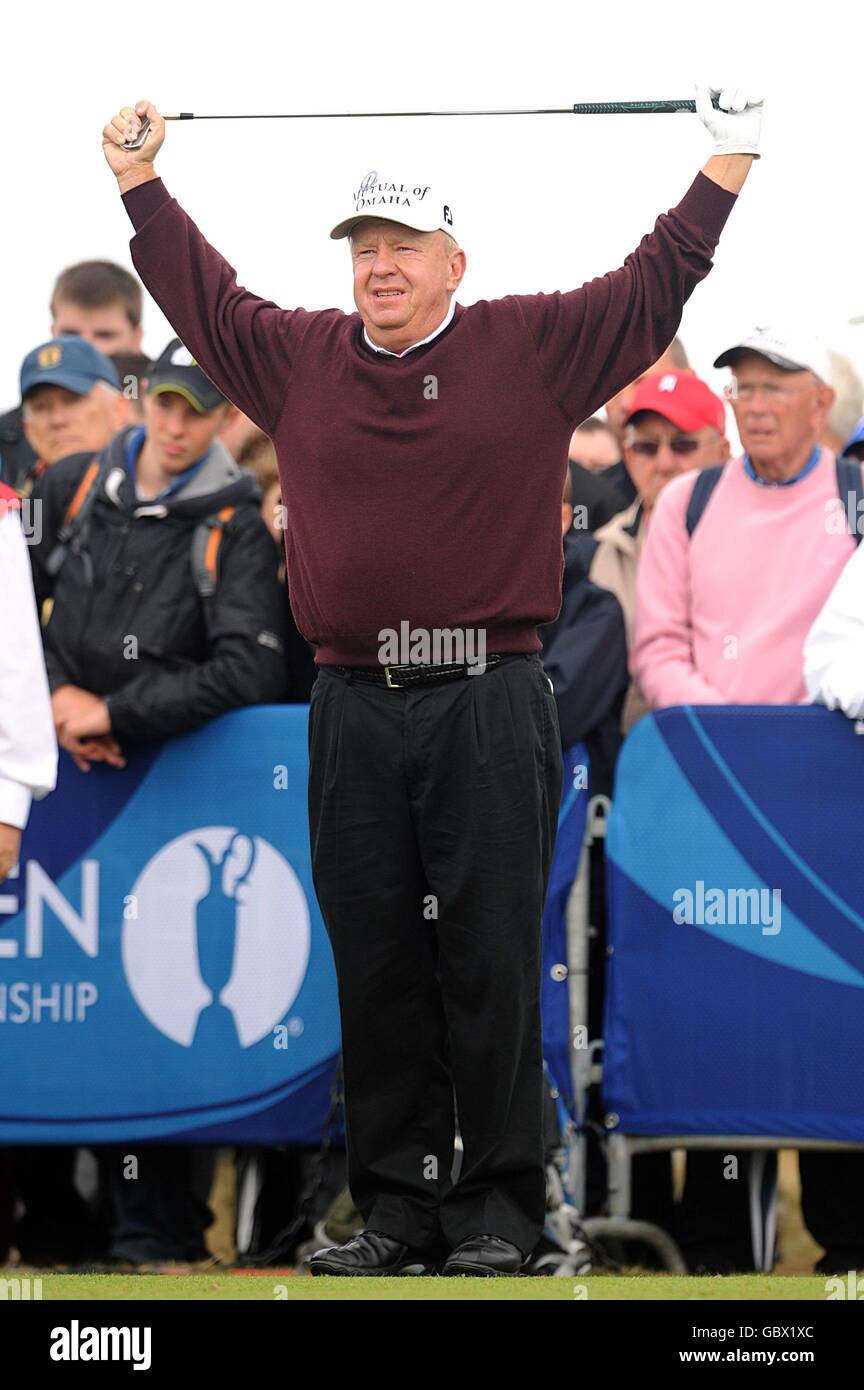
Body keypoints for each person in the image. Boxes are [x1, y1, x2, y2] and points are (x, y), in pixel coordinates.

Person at [102, 83, 761, 1277]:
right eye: (364, 248)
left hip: (491, 696)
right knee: (379, 959)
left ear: (455, 259)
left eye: (404, 246)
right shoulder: (299, 356)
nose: (381, 266)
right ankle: (398, 1208)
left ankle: (503, 1208)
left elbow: (655, 279)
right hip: (352, 701)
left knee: (491, 956)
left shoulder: (528, 344)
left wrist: (728, 157)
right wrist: (138, 182)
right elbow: (201, 293)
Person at [630, 325, 864, 1274]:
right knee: (724, 1009)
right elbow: (658, 650)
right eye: (744, 385)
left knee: (830, 1012)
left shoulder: (855, 497)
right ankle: (717, 1243)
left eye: (777, 384)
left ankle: (847, 1236)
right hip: (709, 803)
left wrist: (783, 748)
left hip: (829, 806)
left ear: (822, 402)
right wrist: (732, 738)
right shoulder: (687, 502)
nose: (756, 402)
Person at [574, 370, 728, 731]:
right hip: (628, 769)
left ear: (723, 452)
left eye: (682, 444)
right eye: (646, 446)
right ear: (627, 456)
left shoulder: (758, 545)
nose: (663, 463)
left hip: (733, 752)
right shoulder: (596, 553)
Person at [0, 261, 144, 493]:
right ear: (53, 331)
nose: (84, 348)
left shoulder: (179, 407)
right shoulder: (8, 436)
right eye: (70, 334)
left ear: (137, 337)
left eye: (104, 335)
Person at [19, 337, 128, 486]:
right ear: (28, 428)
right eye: (41, 407)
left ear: (118, 410)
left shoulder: (154, 494)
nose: (57, 420)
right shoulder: (17, 503)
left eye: (73, 400)